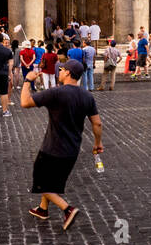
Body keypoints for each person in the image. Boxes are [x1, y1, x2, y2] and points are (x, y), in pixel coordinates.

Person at [21, 59, 101, 231]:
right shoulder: (87, 96)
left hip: (52, 148)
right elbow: (97, 124)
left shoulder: (56, 92)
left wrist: (28, 81)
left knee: (42, 183)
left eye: (62, 69)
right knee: (50, 181)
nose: (60, 72)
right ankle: (43, 209)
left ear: (68, 73)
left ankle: (68, 209)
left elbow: (25, 103)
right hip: (72, 150)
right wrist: (97, 144)